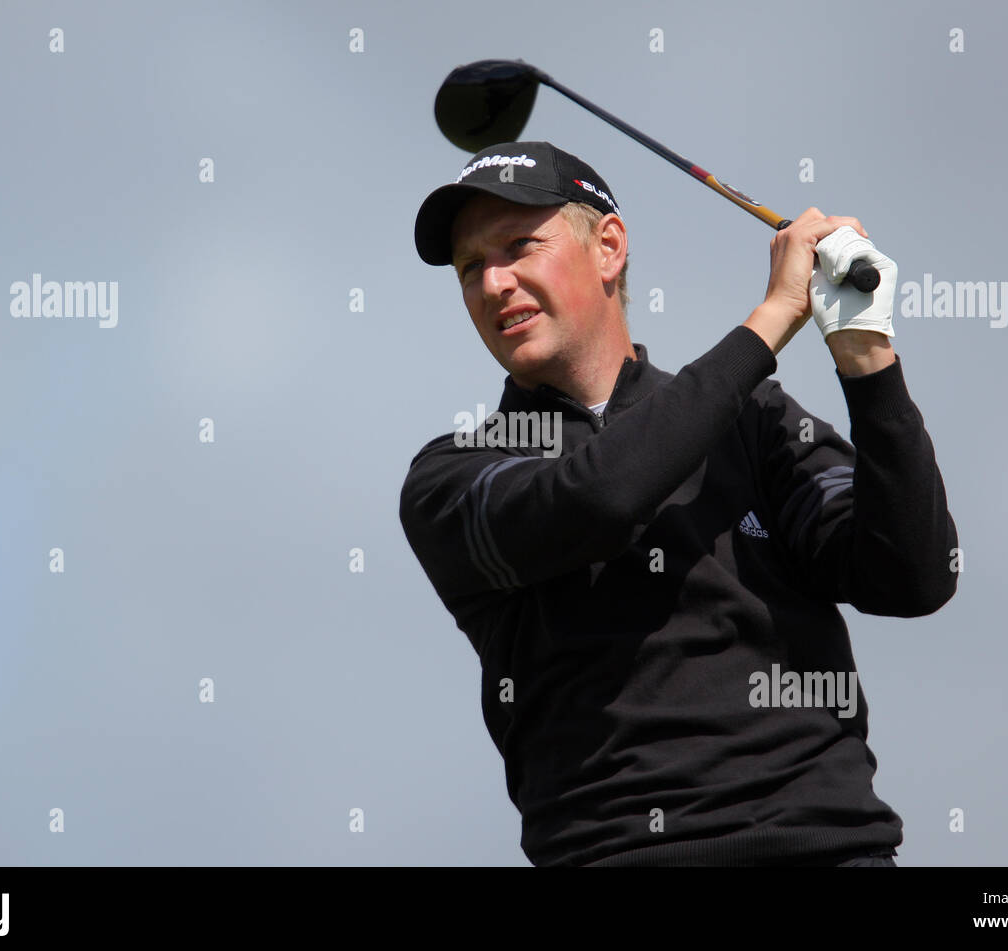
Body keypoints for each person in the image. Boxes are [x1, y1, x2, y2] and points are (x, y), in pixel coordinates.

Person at [399, 140, 959, 867]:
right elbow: (603, 498)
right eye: (472, 267)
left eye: (518, 247)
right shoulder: (455, 474)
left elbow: (912, 576)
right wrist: (774, 320)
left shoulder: (755, 422)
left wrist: (867, 362)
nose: (494, 283)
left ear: (608, 248)